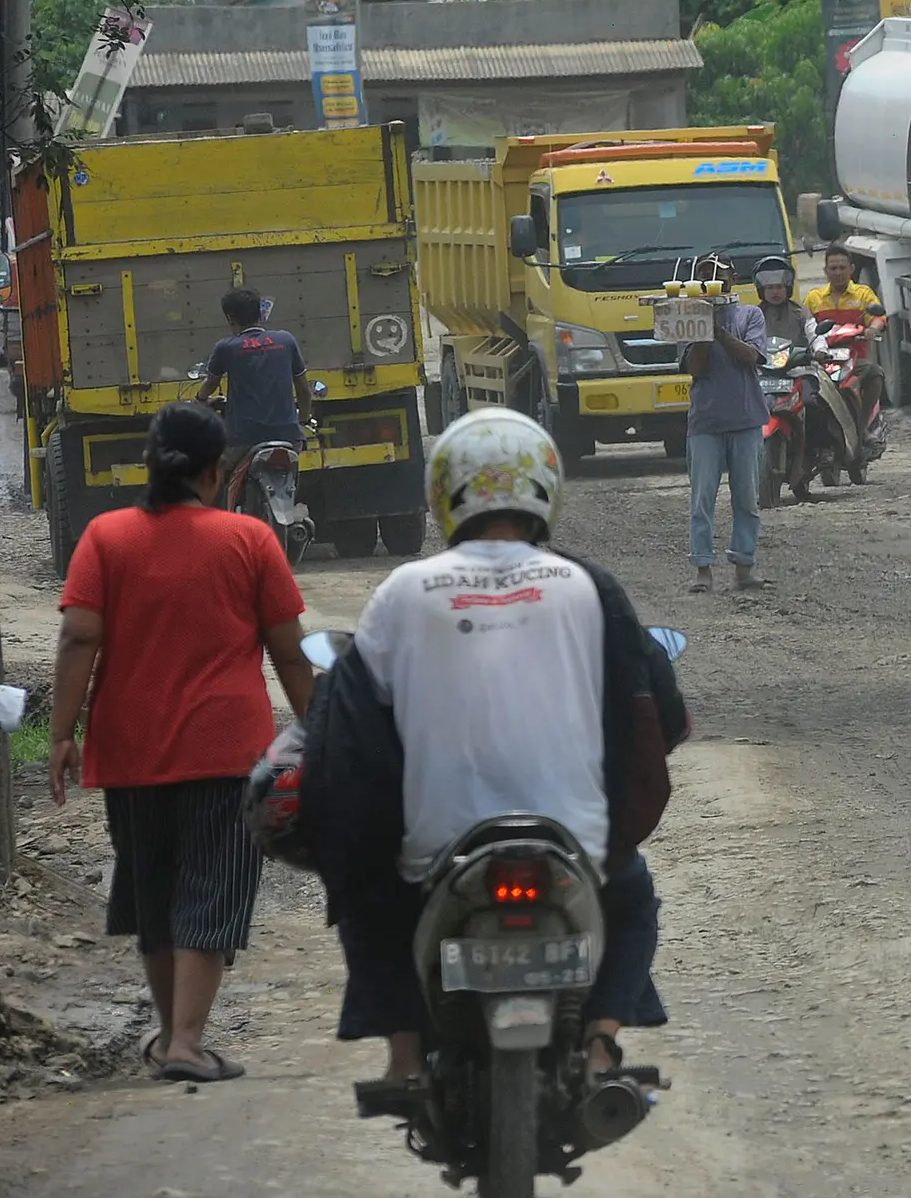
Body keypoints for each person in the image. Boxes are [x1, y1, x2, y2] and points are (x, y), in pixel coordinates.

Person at [303, 408, 690, 1095]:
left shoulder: (402, 591)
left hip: (439, 846)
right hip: (574, 842)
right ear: (545, 488)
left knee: (370, 903)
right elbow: (661, 715)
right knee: (632, 900)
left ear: (443, 492)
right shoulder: (587, 587)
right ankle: (601, 1046)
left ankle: (403, 1058)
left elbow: (349, 730)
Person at [50, 400, 316, 1084]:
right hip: (227, 751)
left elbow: (80, 635)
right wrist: (320, 730)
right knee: (213, 892)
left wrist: (61, 734)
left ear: (148, 463)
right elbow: (289, 653)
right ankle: (186, 1044)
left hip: (129, 748)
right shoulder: (249, 541)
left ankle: (173, 1035)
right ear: (214, 470)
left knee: (155, 892)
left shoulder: (105, 538)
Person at [680, 253, 769, 592]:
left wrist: (717, 330)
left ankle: (743, 565)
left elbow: (751, 357)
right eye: (704, 276)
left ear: (733, 278)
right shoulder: (686, 318)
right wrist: (703, 329)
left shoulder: (750, 314)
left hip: (745, 418)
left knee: (747, 498)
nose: (712, 281)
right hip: (705, 421)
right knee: (702, 498)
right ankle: (703, 569)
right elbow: (696, 368)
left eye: (718, 275)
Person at [196, 285, 314, 489]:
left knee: (220, 477)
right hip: (288, 437)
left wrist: (199, 400)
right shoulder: (286, 340)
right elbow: (304, 391)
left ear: (230, 318)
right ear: (260, 313)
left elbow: (210, 385)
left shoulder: (226, 347)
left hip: (243, 441)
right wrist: (302, 420)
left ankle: (231, 517)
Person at [750, 255, 820, 350]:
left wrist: (820, 349)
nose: (775, 292)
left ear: (788, 289)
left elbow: (813, 331)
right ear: (761, 291)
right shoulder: (755, 315)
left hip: (799, 362)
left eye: (779, 287)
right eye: (770, 287)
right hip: (766, 362)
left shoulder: (800, 311)